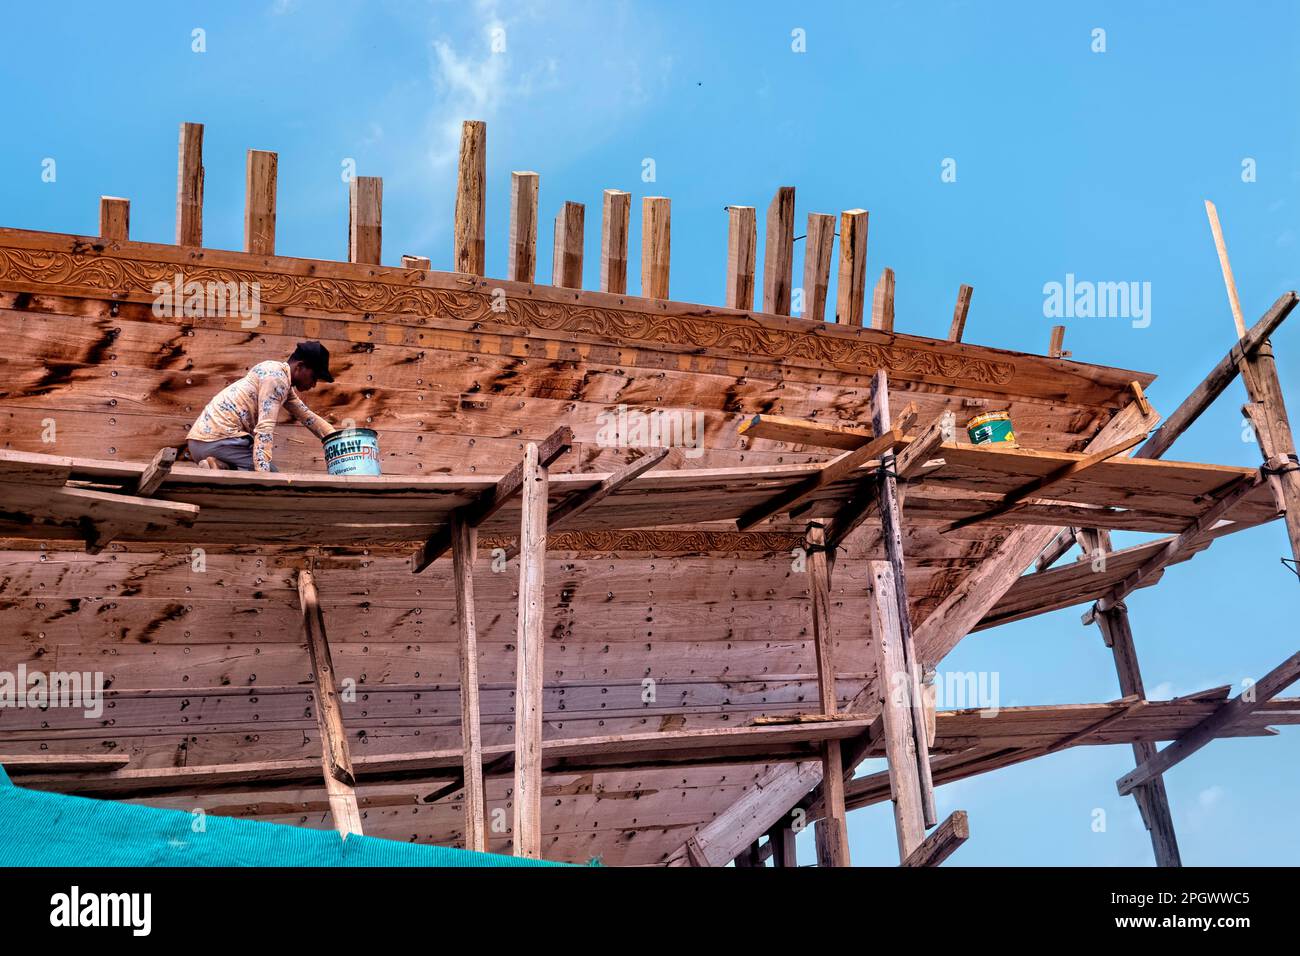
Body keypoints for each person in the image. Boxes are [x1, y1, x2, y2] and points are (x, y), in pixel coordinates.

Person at [187, 342, 336, 472]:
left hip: (199, 444)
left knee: (244, 473)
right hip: (219, 440)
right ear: (300, 366)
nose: (314, 384)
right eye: (314, 377)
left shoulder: (277, 376)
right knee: (272, 478)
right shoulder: (276, 379)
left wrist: (337, 438)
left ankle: (218, 467)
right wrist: (264, 476)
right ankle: (223, 467)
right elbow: (265, 429)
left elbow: (307, 417)